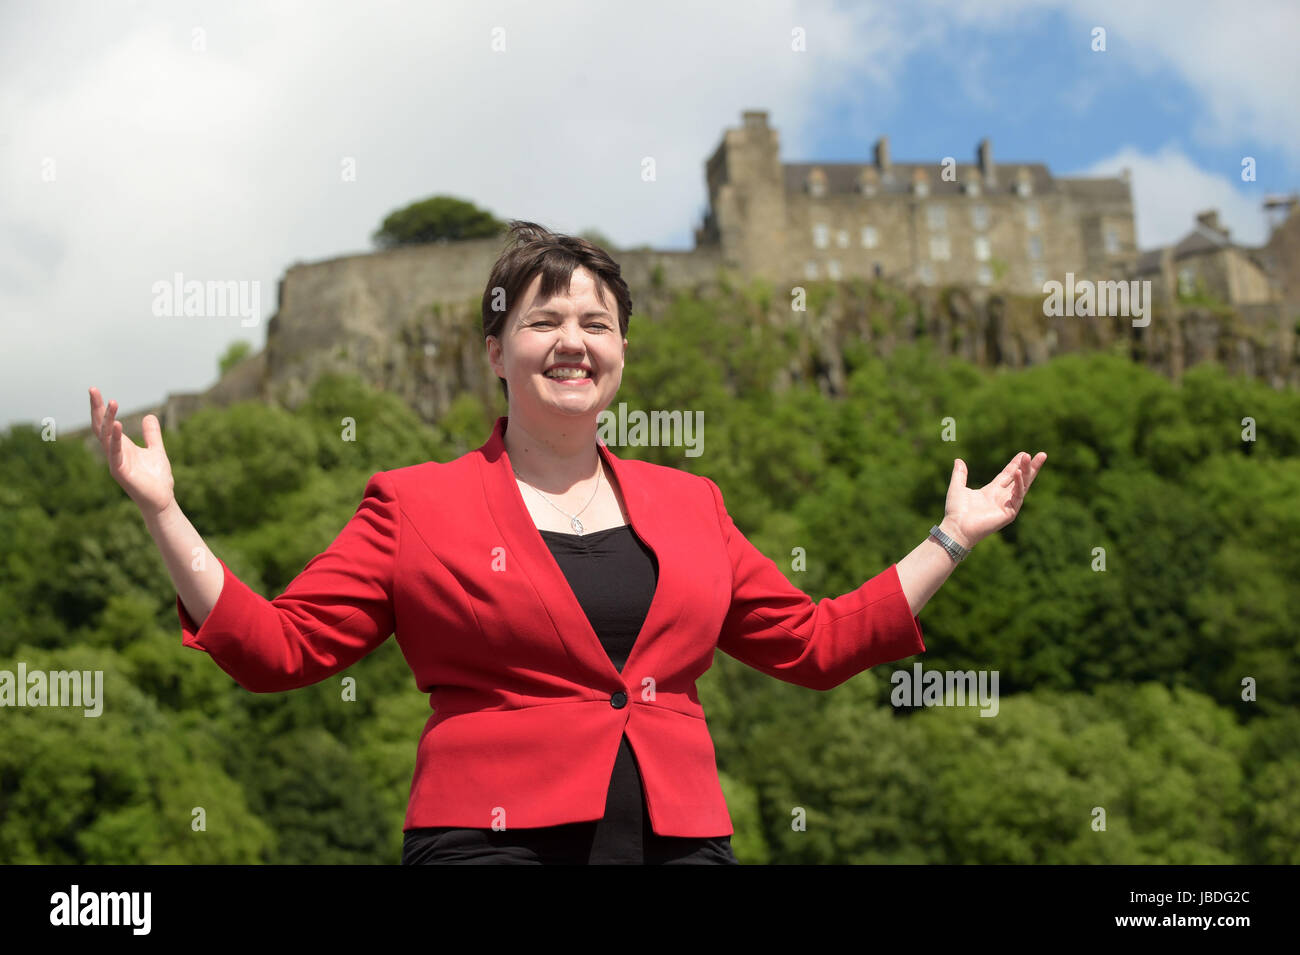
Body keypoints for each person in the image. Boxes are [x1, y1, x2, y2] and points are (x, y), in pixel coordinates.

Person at [87, 221, 1046, 865]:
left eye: (597, 322)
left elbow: (819, 643)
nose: (573, 340)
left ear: (623, 351)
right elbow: (278, 649)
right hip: (488, 842)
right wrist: (165, 512)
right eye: (543, 320)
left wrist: (951, 539)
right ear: (495, 352)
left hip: (680, 842)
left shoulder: (691, 503)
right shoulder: (414, 504)